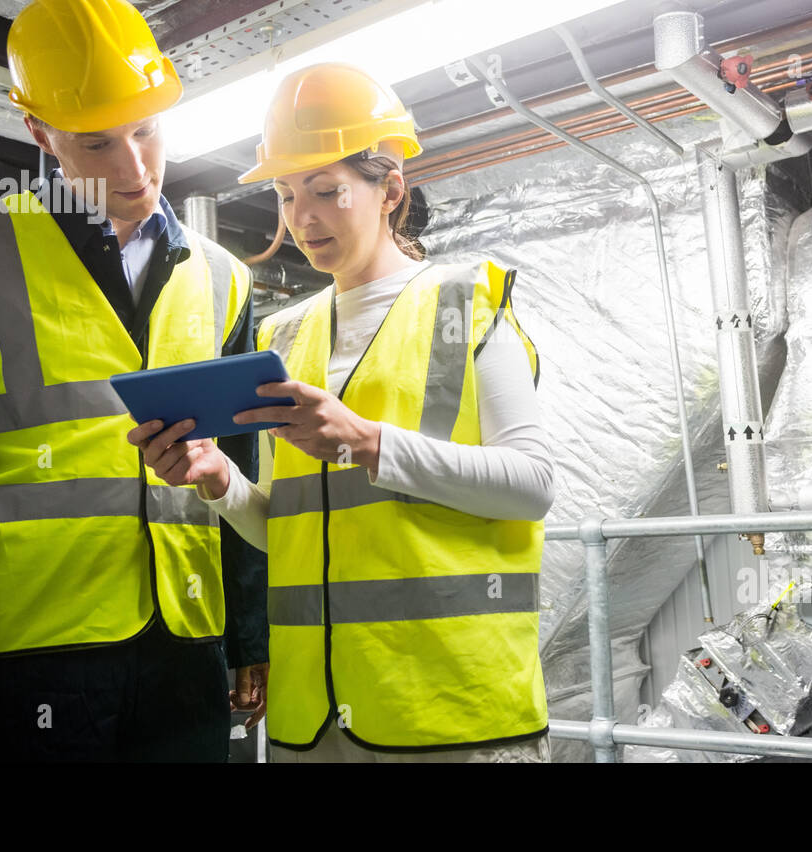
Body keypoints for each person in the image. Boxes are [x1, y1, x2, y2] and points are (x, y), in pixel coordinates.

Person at [0, 0, 268, 762]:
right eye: (97, 143)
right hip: (32, 659)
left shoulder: (225, 277)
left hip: (188, 643)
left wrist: (250, 632)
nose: (134, 168)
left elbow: (242, 461)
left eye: (147, 132)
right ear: (39, 130)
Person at [131, 62, 556, 761]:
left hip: (450, 711)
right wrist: (221, 484)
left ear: (390, 190)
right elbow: (294, 534)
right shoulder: (283, 336)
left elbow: (532, 484)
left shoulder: (467, 302)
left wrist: (367, 440)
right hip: (313, 723)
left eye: (327, 191)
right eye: (286, 193)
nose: (302, 218)